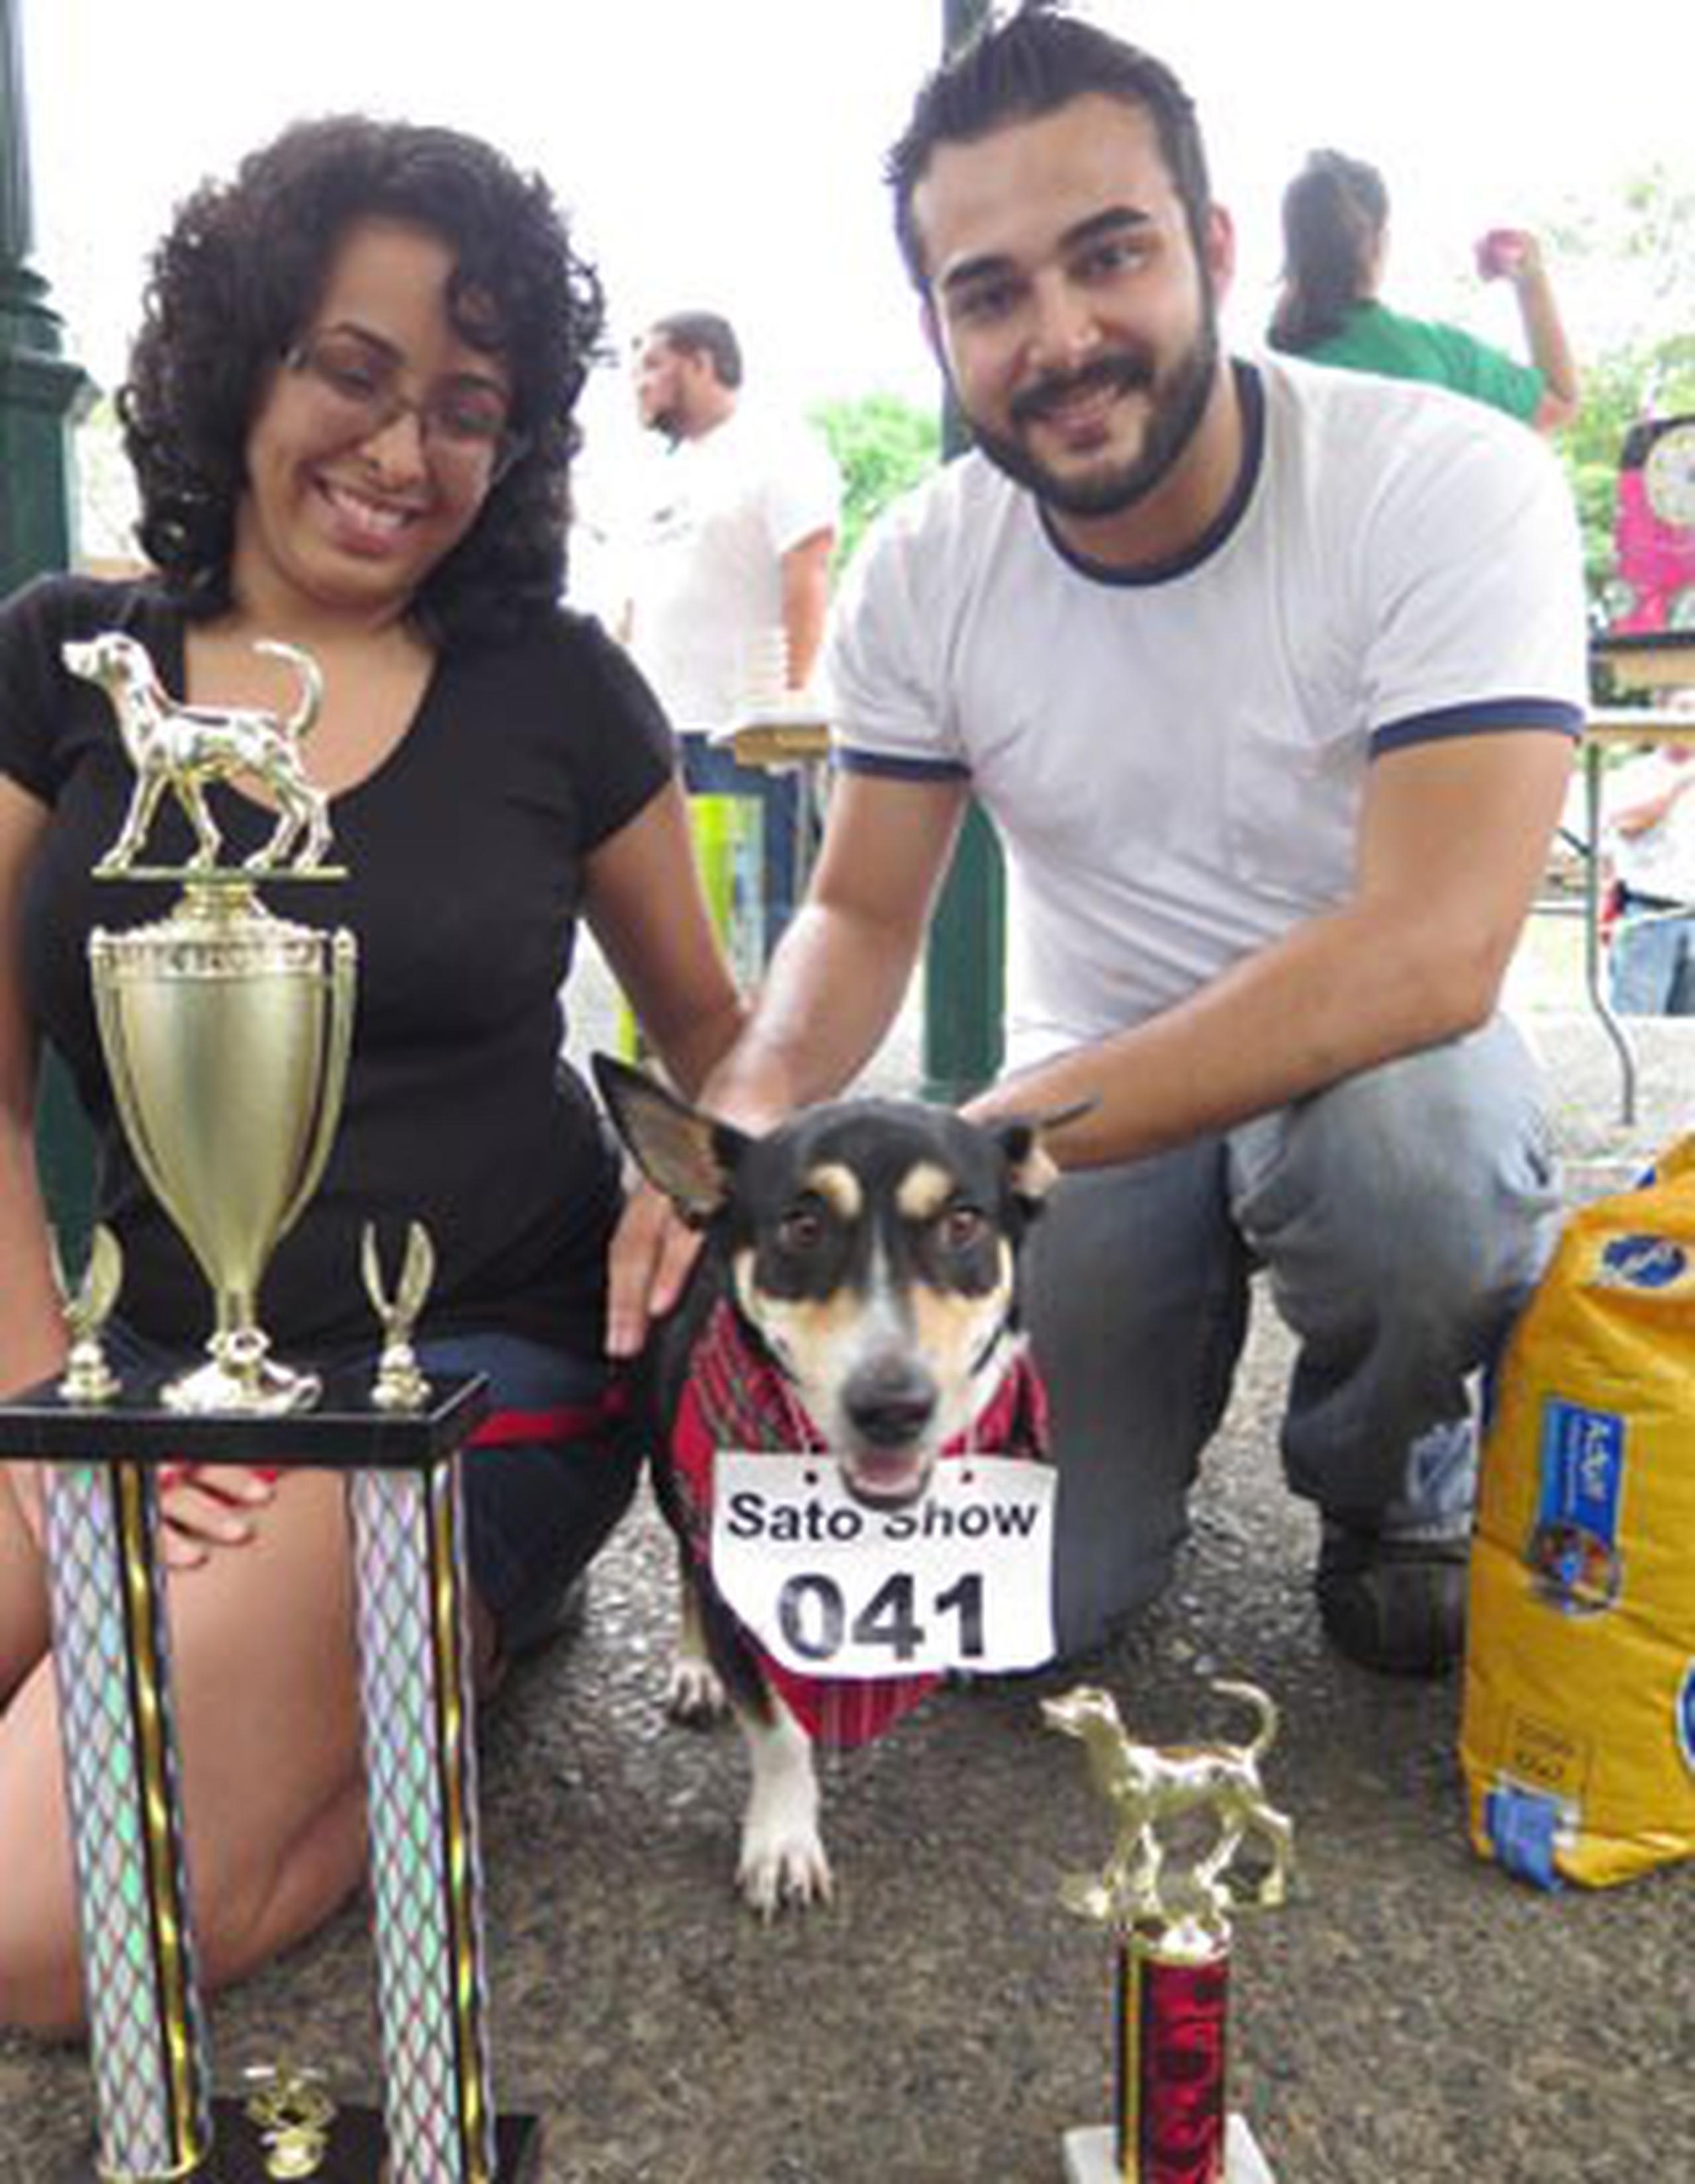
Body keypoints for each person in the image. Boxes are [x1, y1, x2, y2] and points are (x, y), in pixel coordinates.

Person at [609, 2, 1588, 1683]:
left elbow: (1433, 947)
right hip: (1097, 1105)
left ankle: (1388, 1475)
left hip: (1357, 1071)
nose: (1055, 336)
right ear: (934, 325)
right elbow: (853, 910)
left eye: (1107, 256)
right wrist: (748, 1115)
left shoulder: (1445, 479)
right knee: (1021, 1634)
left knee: (1410, 1159)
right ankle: (1147, 1405)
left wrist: (980, 1138)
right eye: (987, 294)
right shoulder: (928, 560)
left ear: (1209, 247)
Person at [0, 117, 744, 2033]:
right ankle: (322, 1669)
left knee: (34, 1919)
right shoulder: (62, 665)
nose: (404, 451)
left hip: (469, 1360)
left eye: (469, 405)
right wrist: (56, 1432)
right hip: (137, 1360)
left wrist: (695, 1179)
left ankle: (434, 1675)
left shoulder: (563, 689)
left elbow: (724, 1040)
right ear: (245, 357)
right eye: (355, 368)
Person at [624, 311, 842, 949]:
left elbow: (809, 562)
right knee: (681, 920)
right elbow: (639, 602)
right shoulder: (665, 472)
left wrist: (788, 706)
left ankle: (776, 1044)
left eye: (652, 364)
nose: (639, 383)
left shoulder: (775, 449)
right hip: (661, 733)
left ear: (701, 363)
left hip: (743, 736)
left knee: (761, 912)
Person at [1267, 149, 1580, 433]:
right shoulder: (1439, 358)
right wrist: (1531, 281)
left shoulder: (1262, 378)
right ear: (1379, 243)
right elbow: (1560, 401)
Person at [1604, 728, 1695, 1014]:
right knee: (1639, 1027)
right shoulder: (1638, 774)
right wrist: (1680, 785)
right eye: (1681, 711)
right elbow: (1628, 824)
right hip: (1649, 917)